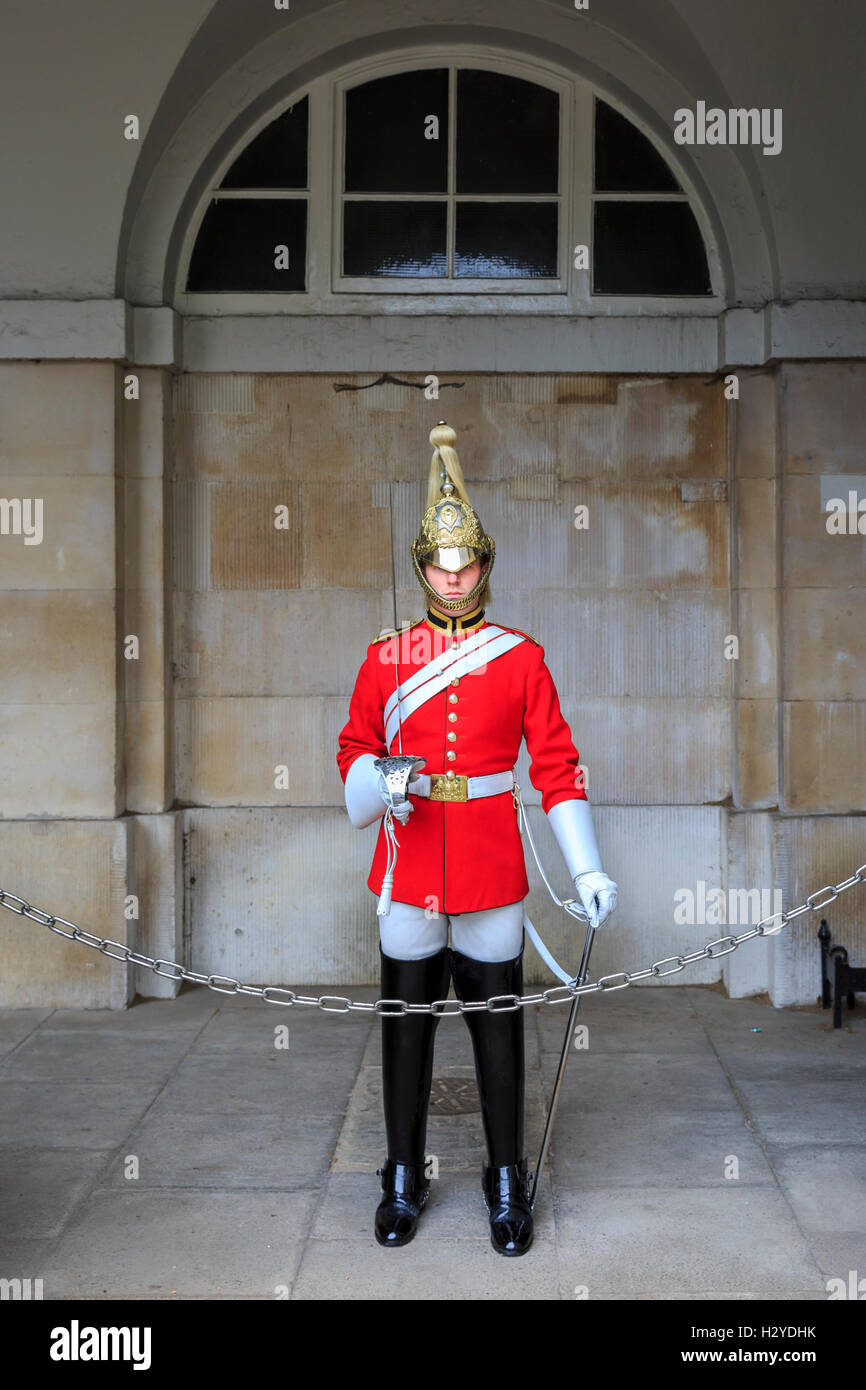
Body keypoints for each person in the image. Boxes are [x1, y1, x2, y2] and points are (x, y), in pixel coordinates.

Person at [336, 422, 617, 1256]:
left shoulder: (521, 658)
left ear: (485, 565)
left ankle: (505, 1176)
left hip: (492, 861)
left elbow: (558, 769)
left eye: (465, 567)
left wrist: (588, 866)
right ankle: (401, 1172)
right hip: (409, 862)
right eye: (438, 567)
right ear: (419, 567)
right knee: (405, 1027)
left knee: (498, 1030)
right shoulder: (386, 658)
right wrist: (388, 781)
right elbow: (352, 753)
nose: (452, 583)